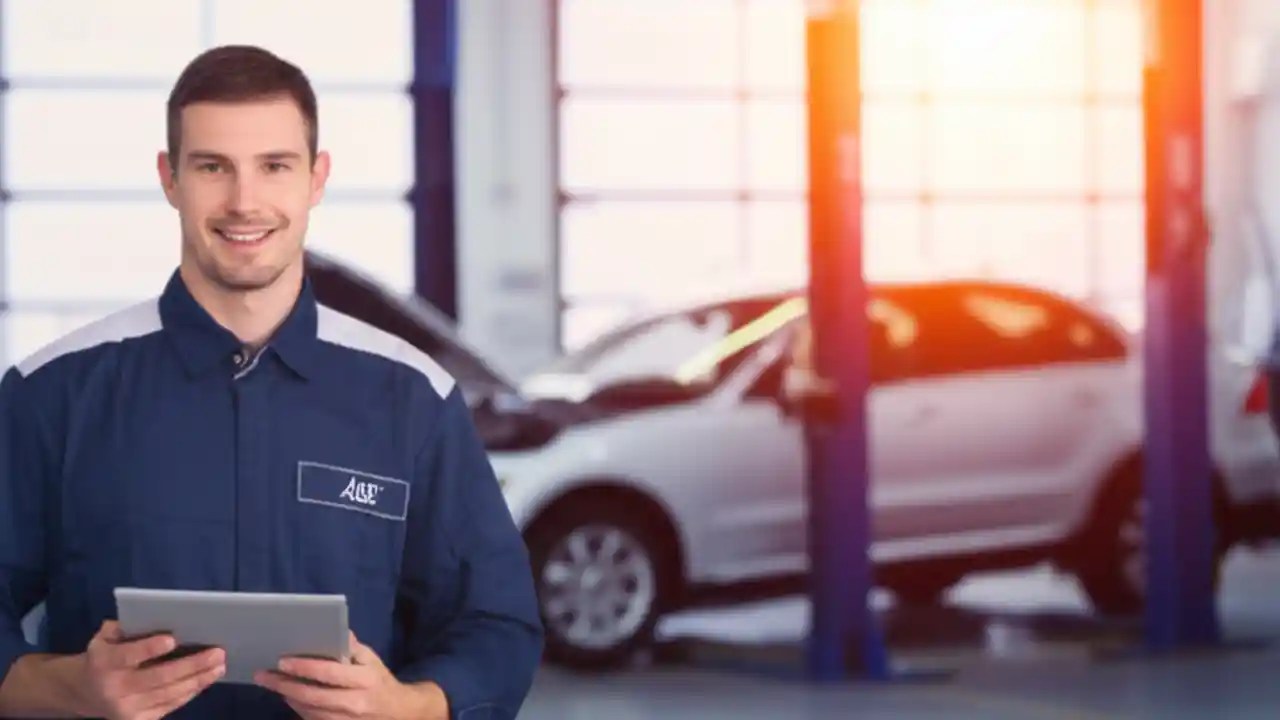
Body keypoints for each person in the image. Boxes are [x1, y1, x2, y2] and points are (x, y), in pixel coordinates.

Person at [0, 45, 543, 719]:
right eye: (212, 167)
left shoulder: (413, 400)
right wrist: (68, 689)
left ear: (316, 178)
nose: (243, 201)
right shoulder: (53, 394)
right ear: (170, 178)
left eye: (274, 166)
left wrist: (411, 706)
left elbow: (497, 625)